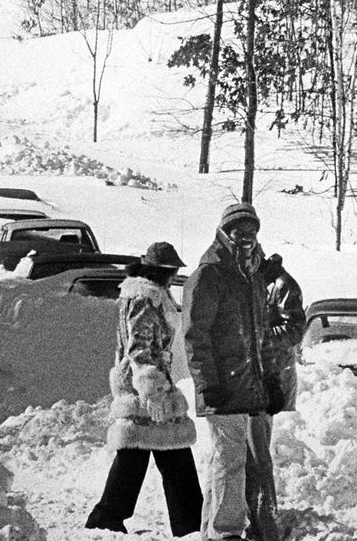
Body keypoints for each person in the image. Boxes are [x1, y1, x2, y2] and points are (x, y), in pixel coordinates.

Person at [86, 242, 203, 535]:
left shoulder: (148, 294)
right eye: (170, 271)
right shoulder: (143, 297)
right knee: (166, 449)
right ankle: (189, 521)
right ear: (159, 271)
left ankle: (110, 516)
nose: (173, 275)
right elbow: (139, 347)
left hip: (147, 382)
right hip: (145, 384)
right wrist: (150, 387)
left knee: (141, 451)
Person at [184, 203, 283, 541]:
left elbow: (256, 330)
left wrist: (269, 378)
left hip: (247, 383)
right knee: (231, 458)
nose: (246, 238)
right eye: (239, 232)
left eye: (252, 233)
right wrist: (207, 382)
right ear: (225, 233)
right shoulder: (210, 273)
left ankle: (213, 530)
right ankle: (227, 532)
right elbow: (195, 334)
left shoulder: (250, 274)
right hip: (222, 384)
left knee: (226, 459)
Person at [245, 253, 306, 541]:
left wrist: (256, 336)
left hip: (269, 379)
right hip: (254, 378)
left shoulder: (282, 284)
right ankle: (256, 521)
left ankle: (265, 524)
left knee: (258, 455)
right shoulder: (259, 284)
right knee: (251, 454)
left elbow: (295, 329)